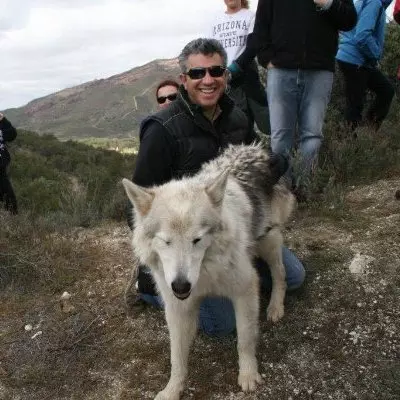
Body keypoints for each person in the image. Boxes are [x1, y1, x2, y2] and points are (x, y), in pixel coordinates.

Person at [126, 38, 305, 337]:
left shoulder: (237, 117)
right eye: (197, 74)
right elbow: (138, 207)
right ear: (184, 80)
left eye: (215, 71)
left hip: (229, 231)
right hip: (184, 241)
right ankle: (151, 288)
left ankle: (241, 269)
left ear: (225, 74)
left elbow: (251, 162)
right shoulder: (161, 130)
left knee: (295, 278)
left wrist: (274, 166)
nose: (207, 80)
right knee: (223, 325)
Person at [238, 0, 357, 195]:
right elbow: (261, 26)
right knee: (280, 137)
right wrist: (267, 58)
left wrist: (328, 4)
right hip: (280, 70)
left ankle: (305, 189)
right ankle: (282, 193)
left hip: (319, 70)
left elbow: (350, 20)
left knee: (312, 134)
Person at [209, 0, 269, 134]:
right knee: (237, 127)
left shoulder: (251, 16)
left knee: (267, 123)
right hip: (225, 83)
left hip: (248, 77)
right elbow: (211, 52)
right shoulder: (215, 20)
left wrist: (233, 69)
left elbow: (252, 47)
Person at [336, 0, 395, 132]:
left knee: (386, 91)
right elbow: (362, 36)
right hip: (354, 59)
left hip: (355, 59)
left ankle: (367, 132)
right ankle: (351, 145)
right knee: (355, 106)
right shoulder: (374, 3)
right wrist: (375, 54)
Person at [0, 113, 18, 214]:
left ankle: (12, 222)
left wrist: (3, 120)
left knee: (9, 198)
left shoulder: (1, 123)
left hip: (1, 168)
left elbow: (12, 135)